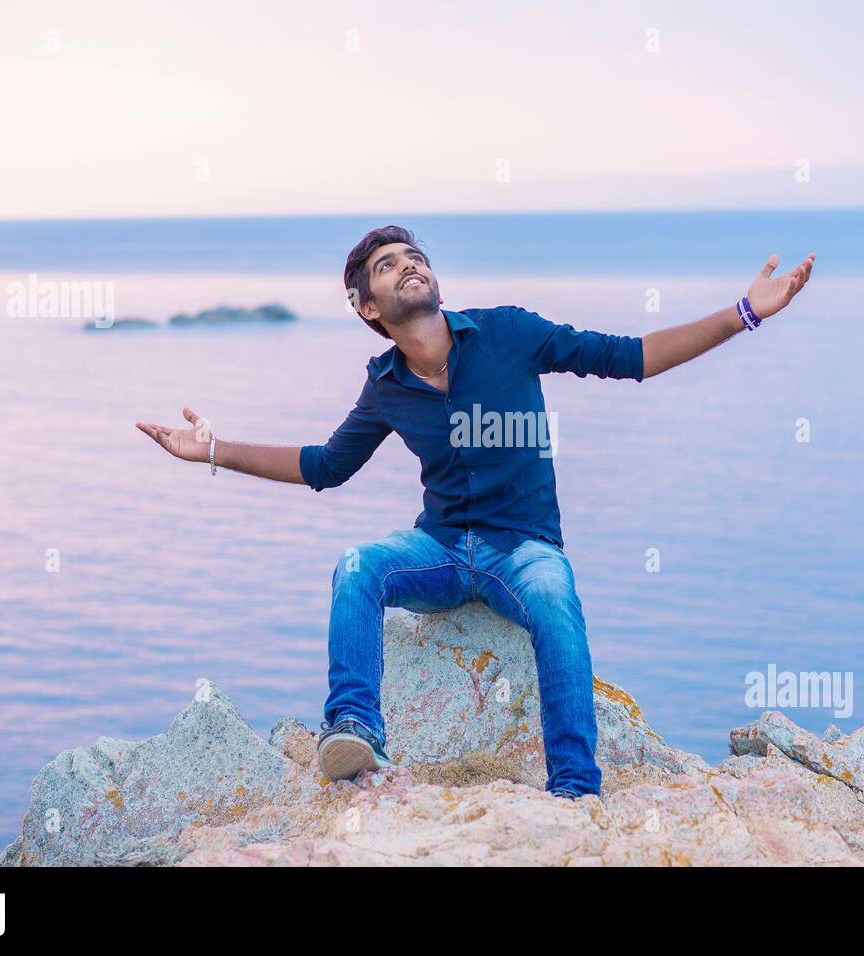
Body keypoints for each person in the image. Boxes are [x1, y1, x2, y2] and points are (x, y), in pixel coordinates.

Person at [137, 225, 814, 798]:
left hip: (523, 549)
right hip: (437, 550)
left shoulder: (510, 333)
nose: (408, 266)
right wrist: (213, 450)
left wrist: (744, 313)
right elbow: (324, 467)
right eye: (387, 265)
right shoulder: (385, 385)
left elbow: (631, 357)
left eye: (413, 257)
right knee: (357, 566)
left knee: (554, 592)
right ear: (368, 307)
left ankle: (575, 788)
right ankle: (352, 733)